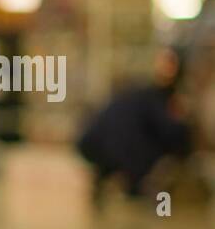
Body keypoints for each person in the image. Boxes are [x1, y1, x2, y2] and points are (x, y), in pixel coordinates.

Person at [76, 46, 194, 202]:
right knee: (140, 180)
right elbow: (169, 130)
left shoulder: (138, 92)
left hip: (91, 141)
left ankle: (110, 178)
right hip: (114, 145)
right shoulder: (155, 98)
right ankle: (132, 189)